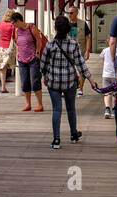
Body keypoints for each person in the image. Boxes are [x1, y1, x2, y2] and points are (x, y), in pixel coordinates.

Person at [39, 15, 96, 149]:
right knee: (71, 109)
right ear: (68, 29)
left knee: (56, 110)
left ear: (56, 29)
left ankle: (56, 139)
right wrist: (92, 81)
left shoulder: (50, 44)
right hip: (70, 81)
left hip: (54, 82)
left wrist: (45, 76)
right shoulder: (73, 44)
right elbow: (81, 65)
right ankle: (73, 134)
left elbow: (43, 65)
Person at [11, 11, 46, 112]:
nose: (13, 25)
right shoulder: (17, 30)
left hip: (32, 58)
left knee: (35, 81)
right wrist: (18, 53)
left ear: (17, 21)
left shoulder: (31, 27)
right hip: (22, 59)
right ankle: (28, 104)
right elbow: (17, 43)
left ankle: (40, 104)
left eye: (13, 23)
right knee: (25, 82)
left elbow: (38, 40)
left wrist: (38, 52)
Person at [64, 3, 90, 95]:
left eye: (71, 13)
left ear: (76, 13)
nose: (69, 15)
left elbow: (88, 38)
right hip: (68, 52)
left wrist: (87, 51)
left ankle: (80, 89)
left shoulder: (83, 23)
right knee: (67, 71)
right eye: (68, 13)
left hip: (80, 50)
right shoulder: (65, 24)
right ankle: (68, 89)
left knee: (81, 71)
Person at [0, 14, 17, 94]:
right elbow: (16, 37)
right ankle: (19, 87)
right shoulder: (13, 25)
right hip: (10, 48)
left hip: (1, 48)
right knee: (15, 66)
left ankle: (3, 87)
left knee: (2, 68)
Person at [97, 42, 116, 119]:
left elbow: (103, 61)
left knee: (106, 93)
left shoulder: (105, 50)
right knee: (115, 93)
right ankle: (114, 110)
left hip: (106, 74)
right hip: (115, 75)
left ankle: (107, 109)